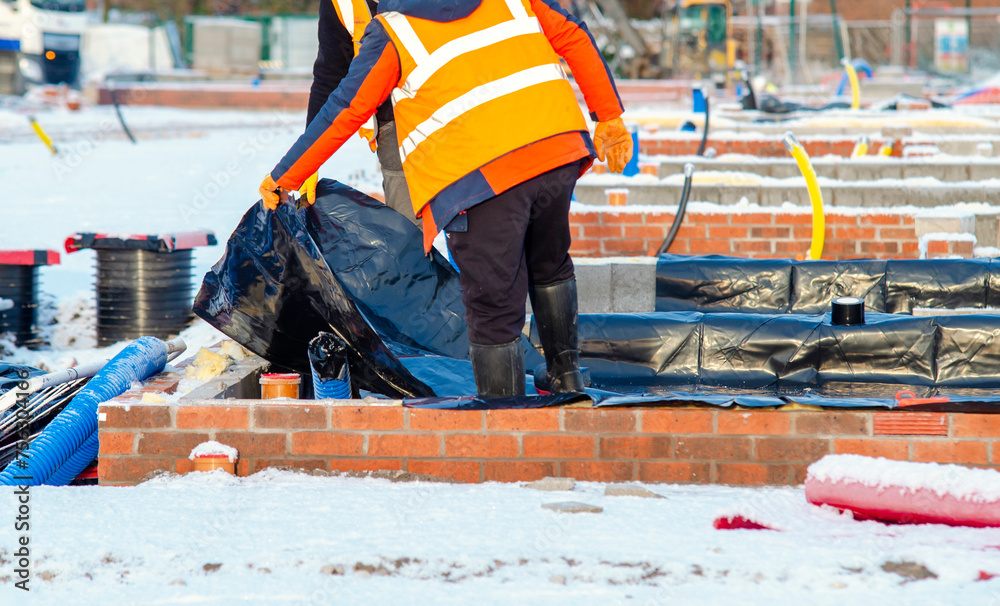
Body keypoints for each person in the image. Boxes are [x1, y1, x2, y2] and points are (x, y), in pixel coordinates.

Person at [260, 0, 632, 397]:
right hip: (556, 150)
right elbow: (573, 34)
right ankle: (565, 377)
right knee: (549, 262)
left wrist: (287, 175)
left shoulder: (394, 30)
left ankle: (502, 414)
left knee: (492, 302)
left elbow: (347, 107)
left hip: (481, 175)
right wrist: (608, 116)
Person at [304, 0, 418, 224]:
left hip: (459, 112)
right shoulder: (340, 4)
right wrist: (308, 160)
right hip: (396, 130)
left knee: (471, 227)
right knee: (409, 230)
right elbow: (329, 74)